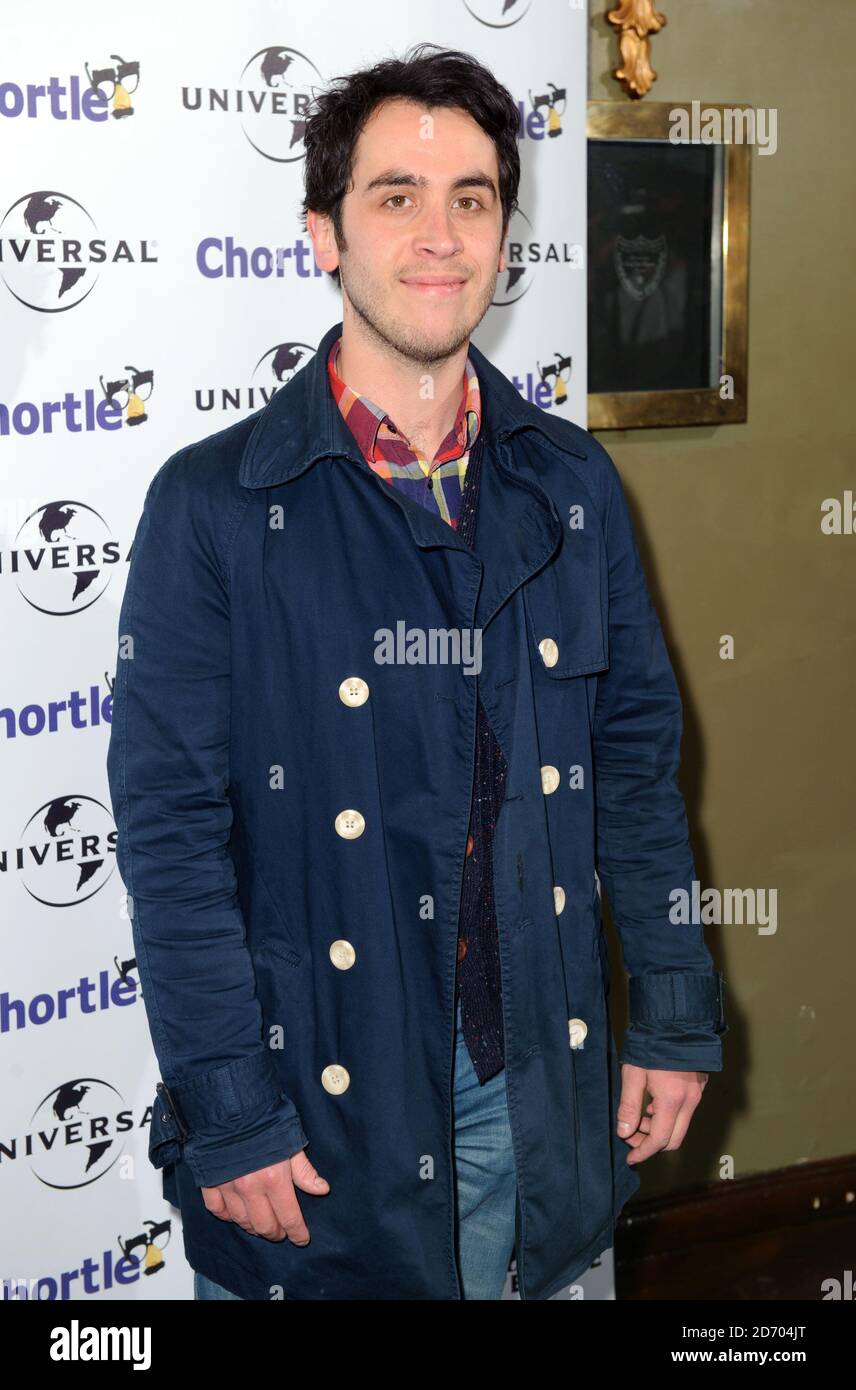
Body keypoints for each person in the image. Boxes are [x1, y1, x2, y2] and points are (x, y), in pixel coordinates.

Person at [106, 43, 727, 1303]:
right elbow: (170, 832)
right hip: (321, 1119)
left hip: (543, 1095)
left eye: (472, 199)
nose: (438, 237)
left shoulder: (573, 486)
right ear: (322, 234)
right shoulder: (216, 505)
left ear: (505, 232)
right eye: (395, 197)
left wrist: (671, 1009)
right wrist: (229, 1107)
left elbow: (635, 771)